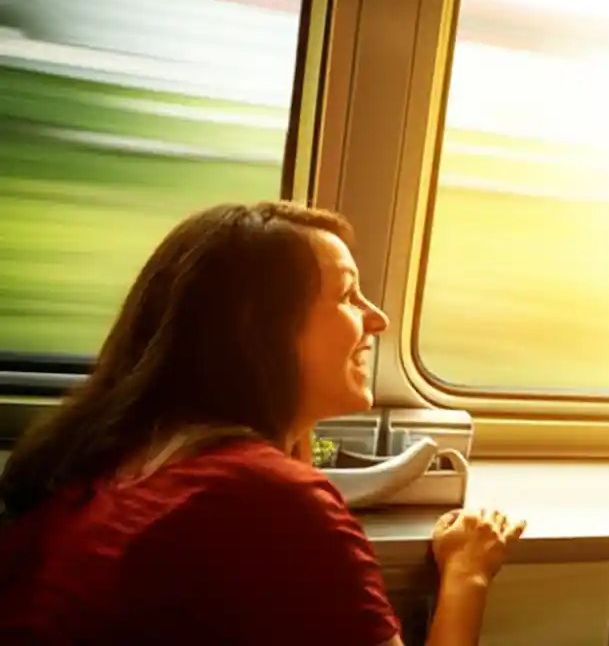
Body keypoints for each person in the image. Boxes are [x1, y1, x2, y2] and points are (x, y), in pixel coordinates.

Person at [0, 202, 523, 645]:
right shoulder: (268, 501)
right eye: (346, 295)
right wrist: (468, 572)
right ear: (260, 331)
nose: (377, 319)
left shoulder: (111, 460)